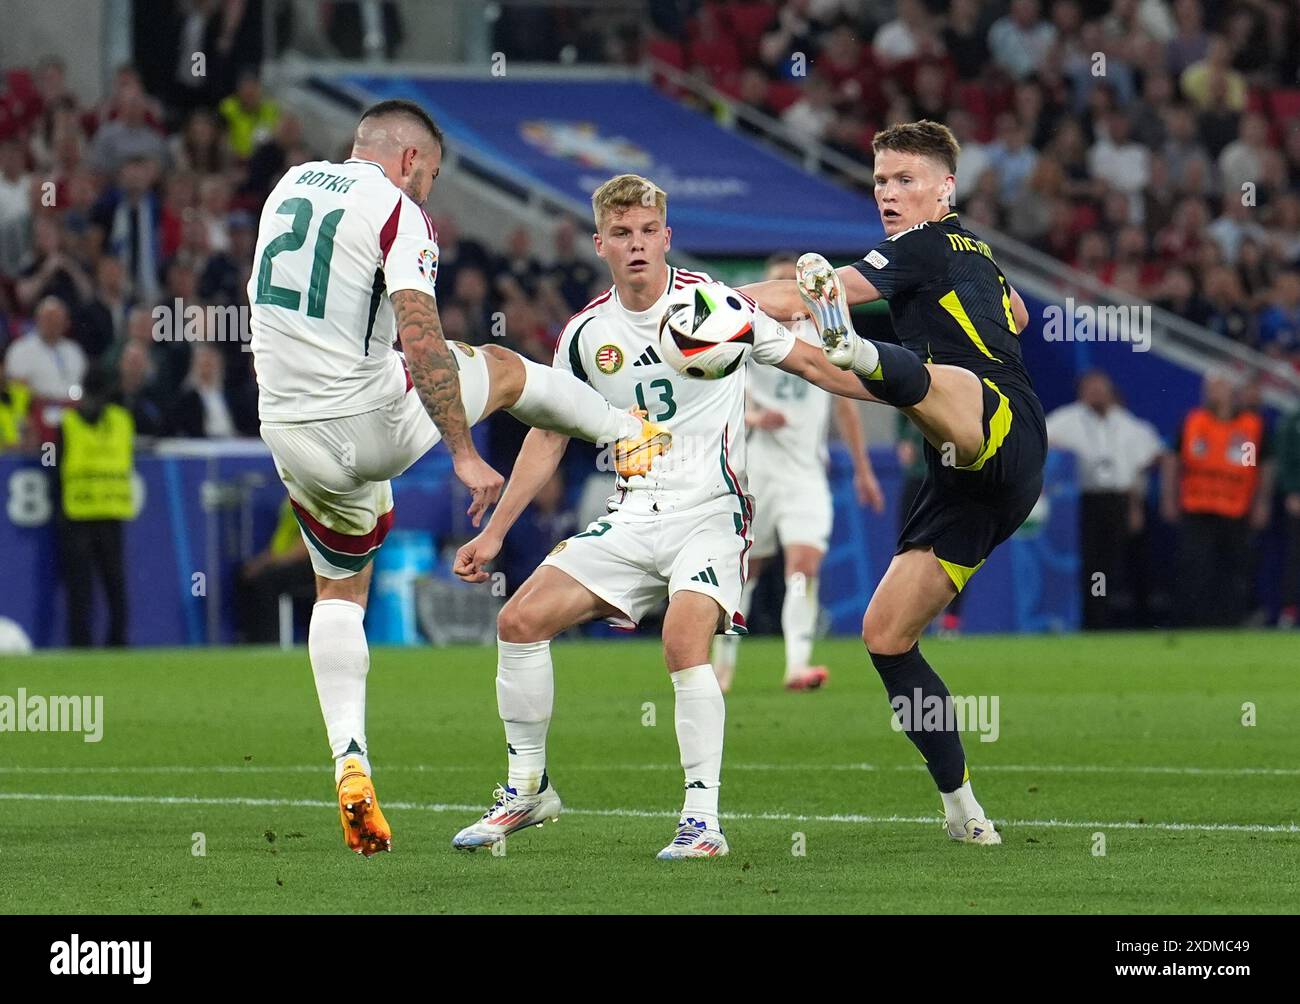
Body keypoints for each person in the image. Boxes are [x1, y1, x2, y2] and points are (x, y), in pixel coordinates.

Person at [249, 99, 669, 858]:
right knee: (504, 368)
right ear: (411, 161)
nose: (430, 192)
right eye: (433, 176)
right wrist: (463, 451)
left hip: (287, 430)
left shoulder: (288, 186)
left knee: (339, 592)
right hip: (366, 422)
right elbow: (421, 333)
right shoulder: (399, 213)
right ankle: (628, 431)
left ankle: (350, 757)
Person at [449, 173, 874, 859]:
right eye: (622, 234)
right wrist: (495, 531)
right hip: (632, 514)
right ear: (601, 244)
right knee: (518, 621)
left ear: (667, 237)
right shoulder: (587, 334)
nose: (637, 244)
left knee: (683, 641)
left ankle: (702, 822)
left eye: (648, 231)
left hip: (711, 510)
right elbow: (550, 431)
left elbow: (810, 364)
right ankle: (527, 790)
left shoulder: (715, 306)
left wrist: (907, 389)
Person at [745, 120, 1046, 846]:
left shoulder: (921, 242)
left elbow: (806, 294)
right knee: (884, 634)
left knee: (913, 373)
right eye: (880, 180)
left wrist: (692, 298)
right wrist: (742, 331)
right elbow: (1021, 313)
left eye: (905, 179)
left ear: (945, 188)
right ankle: (961, 807)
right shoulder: (971, 249)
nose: (888, 192)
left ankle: (859, 345)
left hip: (996, 417)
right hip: (966, 471)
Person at [711, 255, 884, 694]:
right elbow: (717, 385)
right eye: (774, 285)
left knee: (804, 566)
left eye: (789, 285)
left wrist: (863, 471)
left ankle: (797, 665)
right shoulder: (745, 331)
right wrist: (751, 417)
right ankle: (722, 667)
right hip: (757, 470)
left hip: (806, 472)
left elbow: (845, 402)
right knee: (746, 570)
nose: (782, 295)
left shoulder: (828, 332)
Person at [1046, 370, 1166, 629]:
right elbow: (1041, 440)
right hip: (1086, 501)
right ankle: (1095, 620)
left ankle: (1134, 619)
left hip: (1120, 500)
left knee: (1124, 563)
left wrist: (1135, 505)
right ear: (1082, 391)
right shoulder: (1066, 420)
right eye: (1091, 388)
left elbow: (1153, 455)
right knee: (1092, 562)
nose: (1097, 393)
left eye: (1101, 388)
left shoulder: (1126, 423)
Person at [1161, 373, 1271, 627]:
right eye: (1209, 388)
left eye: (1218, 387)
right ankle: (1194, 623)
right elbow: (1172, 459)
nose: (1212, 393)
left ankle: (1231, 622)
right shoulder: (1193, 422)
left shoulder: (1250, 426)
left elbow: (1262, 466)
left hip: (1235, 508)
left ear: (1233, 392)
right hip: (1197, 507)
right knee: (1195, 568)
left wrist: (1261, 503)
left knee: (1234, 570)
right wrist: (1169, 497)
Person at [57, 365, 135, 647]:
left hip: (81, 513)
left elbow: (55, 470)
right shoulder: (122, 420)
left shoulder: (68, 423)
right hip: (100, 513)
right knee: (110, 584)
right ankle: (115, 642)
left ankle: (84, 643)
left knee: (86, 587)